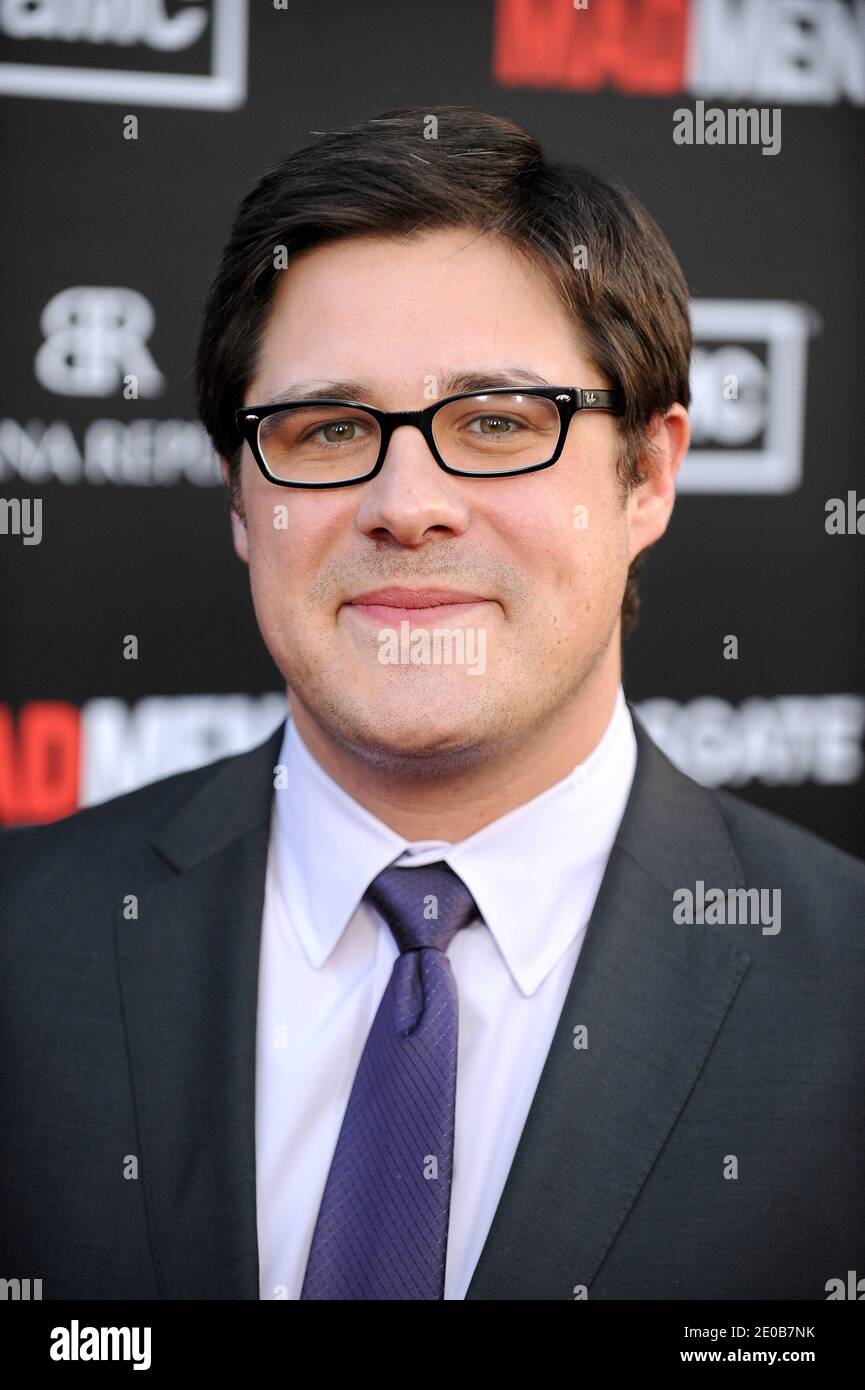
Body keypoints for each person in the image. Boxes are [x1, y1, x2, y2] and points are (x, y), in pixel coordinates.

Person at [2, 105, 863, 1302]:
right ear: (242, 502)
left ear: (648, 476)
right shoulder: (23, 945)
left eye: (499, 423)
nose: (408, 501)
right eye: (327, 428)